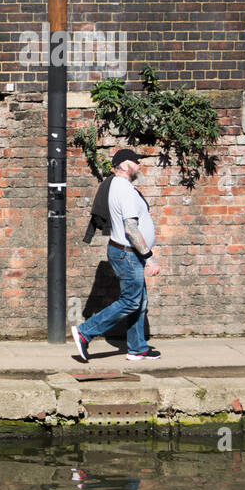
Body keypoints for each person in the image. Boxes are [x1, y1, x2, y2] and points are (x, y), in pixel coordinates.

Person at [72, 148, 163, 362]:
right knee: (131, 301)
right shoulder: (124, 189)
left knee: (138, 302)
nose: (139, 165)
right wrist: (149, 256)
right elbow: (131, 228)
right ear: (123, 165)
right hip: (128, 253)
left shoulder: (117, 184)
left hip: (126, 252)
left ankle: (137, 348)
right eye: (135, 161)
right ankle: (85, 333)